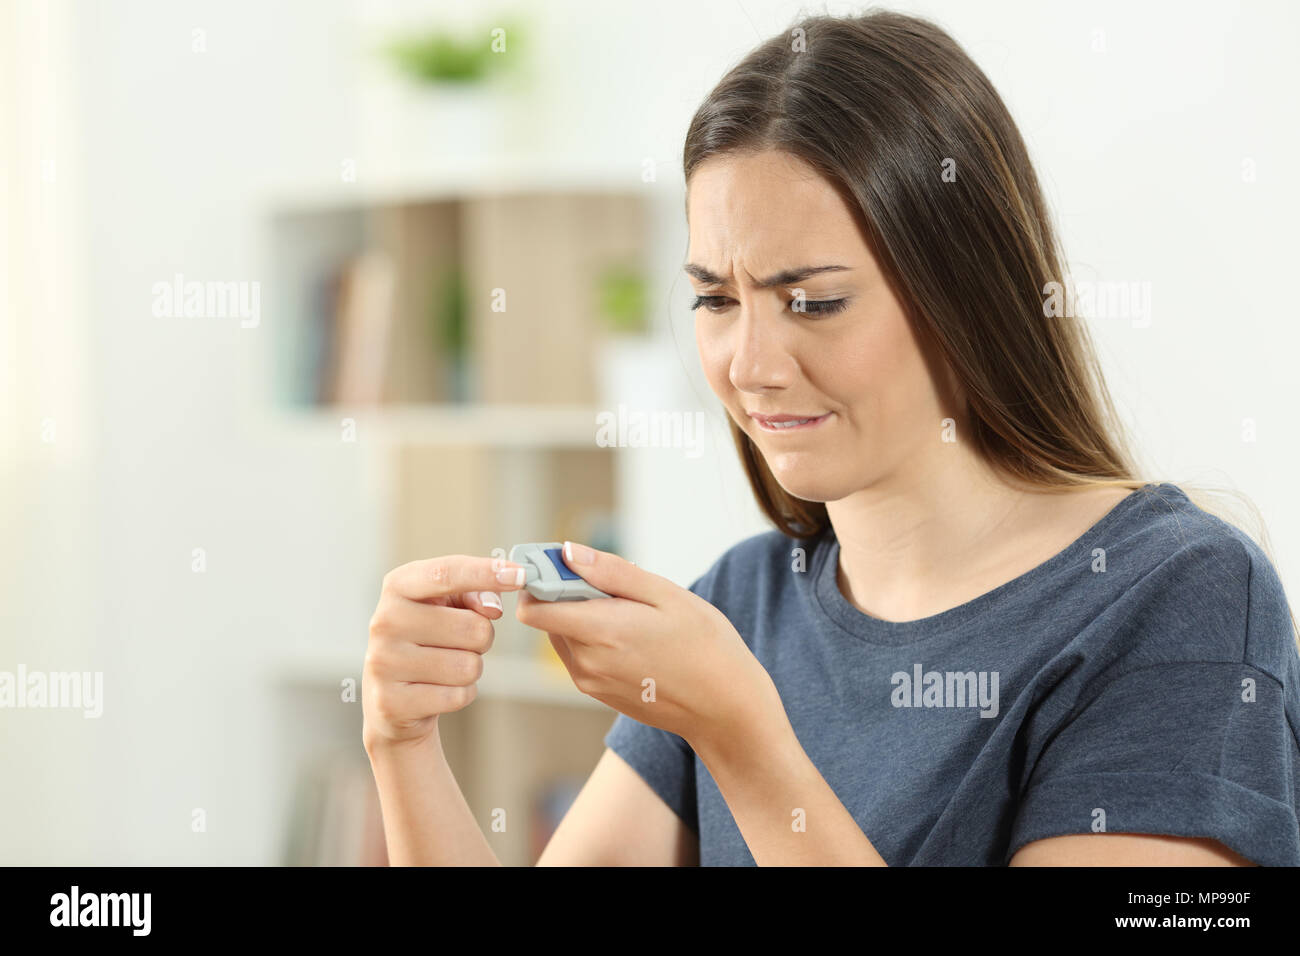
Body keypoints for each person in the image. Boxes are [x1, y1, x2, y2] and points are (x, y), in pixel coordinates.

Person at [361, 9, 1300, 866]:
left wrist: (744, 743)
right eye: (716, 299)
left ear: (965, 293)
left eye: (813, 301)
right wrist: (404, 745)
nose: (749, 363)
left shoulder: (1182, 597)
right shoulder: (743, 602)